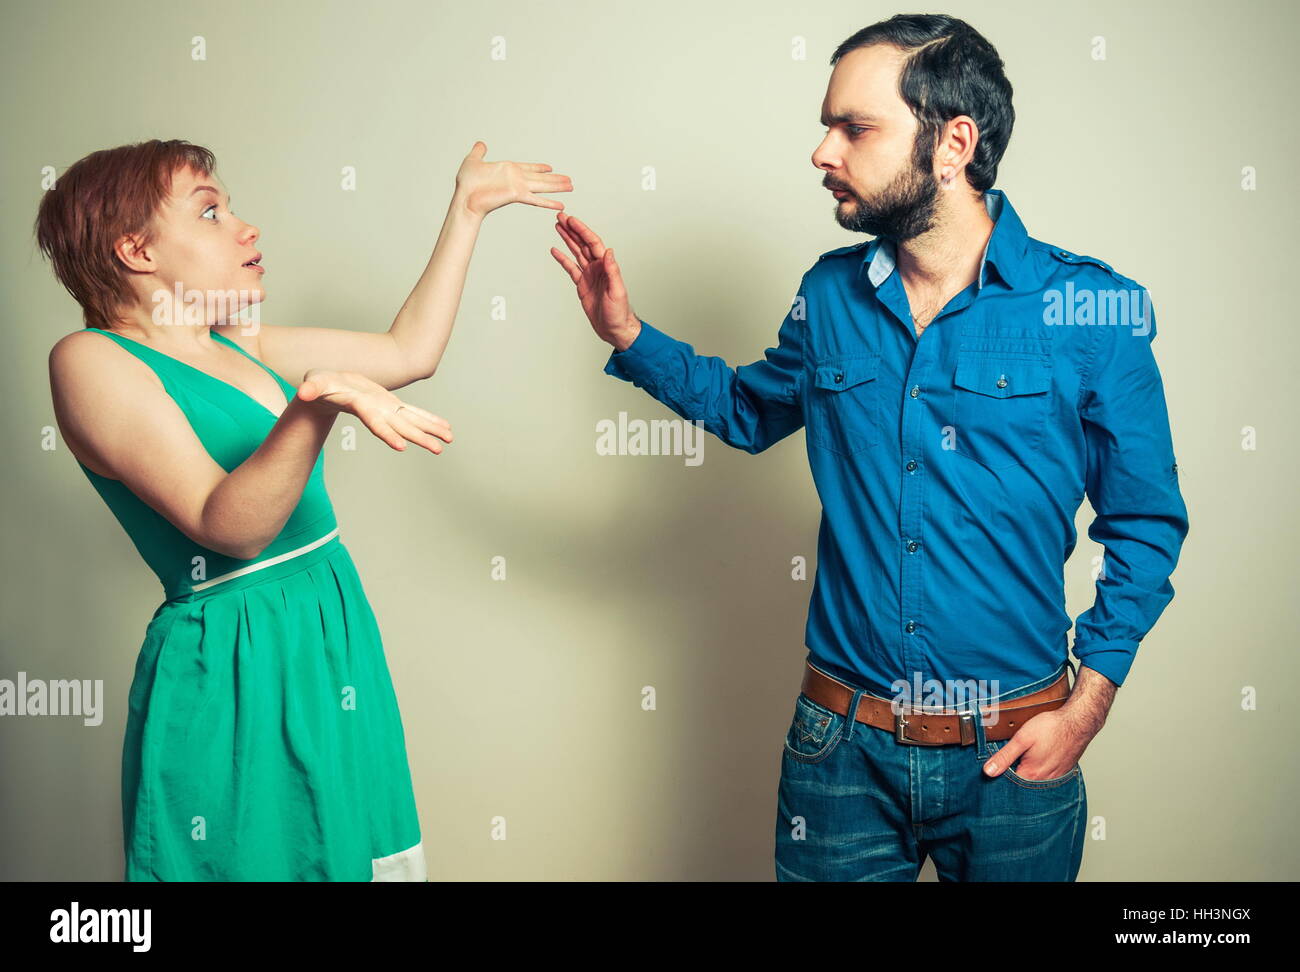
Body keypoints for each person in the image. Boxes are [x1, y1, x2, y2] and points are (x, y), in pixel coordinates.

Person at [550, 13, 1188, 881]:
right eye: (826, 124)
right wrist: (629, 335)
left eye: (854, 128)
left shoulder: (1091, 311)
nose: (822, 151)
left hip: (1015, 756)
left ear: (953, 142)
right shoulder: (830, 296)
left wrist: (1087, 707)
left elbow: (1146, 524)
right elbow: (748, 410)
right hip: (839, 753)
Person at [39, 137, 571, 880]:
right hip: (234, 658)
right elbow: (229, 525)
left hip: (327, 629)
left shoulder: (238, 342)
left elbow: (409, 349)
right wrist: (318, 403)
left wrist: (468, 210)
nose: (246, 227)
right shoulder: (89, 361)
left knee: (352, 856)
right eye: (211, 212)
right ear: (135, 249)